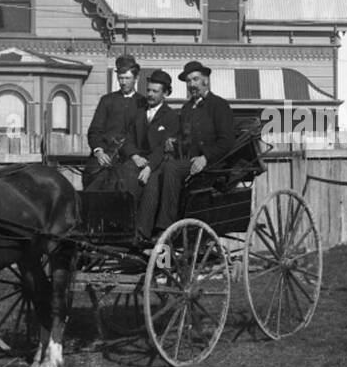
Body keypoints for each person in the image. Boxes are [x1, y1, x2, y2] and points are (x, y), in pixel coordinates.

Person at [142, 60, 234, 237]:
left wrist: (205, 158)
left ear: (205, 80)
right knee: (156, 172)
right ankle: (146, 229)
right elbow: (184, 138)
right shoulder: (186, 109)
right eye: (188, 81)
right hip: (189, 163)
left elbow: (227, 141)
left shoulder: (219, 105)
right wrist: (173, 141)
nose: (192, 84)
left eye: (195, 79)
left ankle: (166, 226)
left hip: (214, 165)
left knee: (171, 168)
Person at [82, 55, 147, 193]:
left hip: (130, 158)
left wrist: (135, 155)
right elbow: (94, 130)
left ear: (136, 78)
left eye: (127, 78)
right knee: (93, 182)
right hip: (106, 155)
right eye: (120, 78)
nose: (123, 82)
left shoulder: (143, 103)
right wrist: (99, 152)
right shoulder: (107, 101)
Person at [133, 69, 181, 241]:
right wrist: (133, 156)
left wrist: (149, 167)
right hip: (138, 160)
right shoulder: (139, 113)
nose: (150, 95)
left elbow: (163, 147)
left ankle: (142, 233)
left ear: (165, 93)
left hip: (160, 163)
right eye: (149, 90)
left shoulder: (172, 117)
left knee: (152, 181)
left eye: (155, 91)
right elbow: (130, 138)